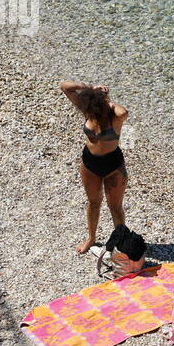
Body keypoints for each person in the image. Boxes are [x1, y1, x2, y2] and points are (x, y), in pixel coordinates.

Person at [59, 81, 128, 254]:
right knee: (93, 202)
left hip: (113, 165)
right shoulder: (88, 110)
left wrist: (106, 101)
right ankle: (91, 238)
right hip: (90, 164)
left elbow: (124, 111)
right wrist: (91, 89)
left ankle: (121, 242)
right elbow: (65, 86)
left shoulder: (115, 116)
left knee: (115, 207)